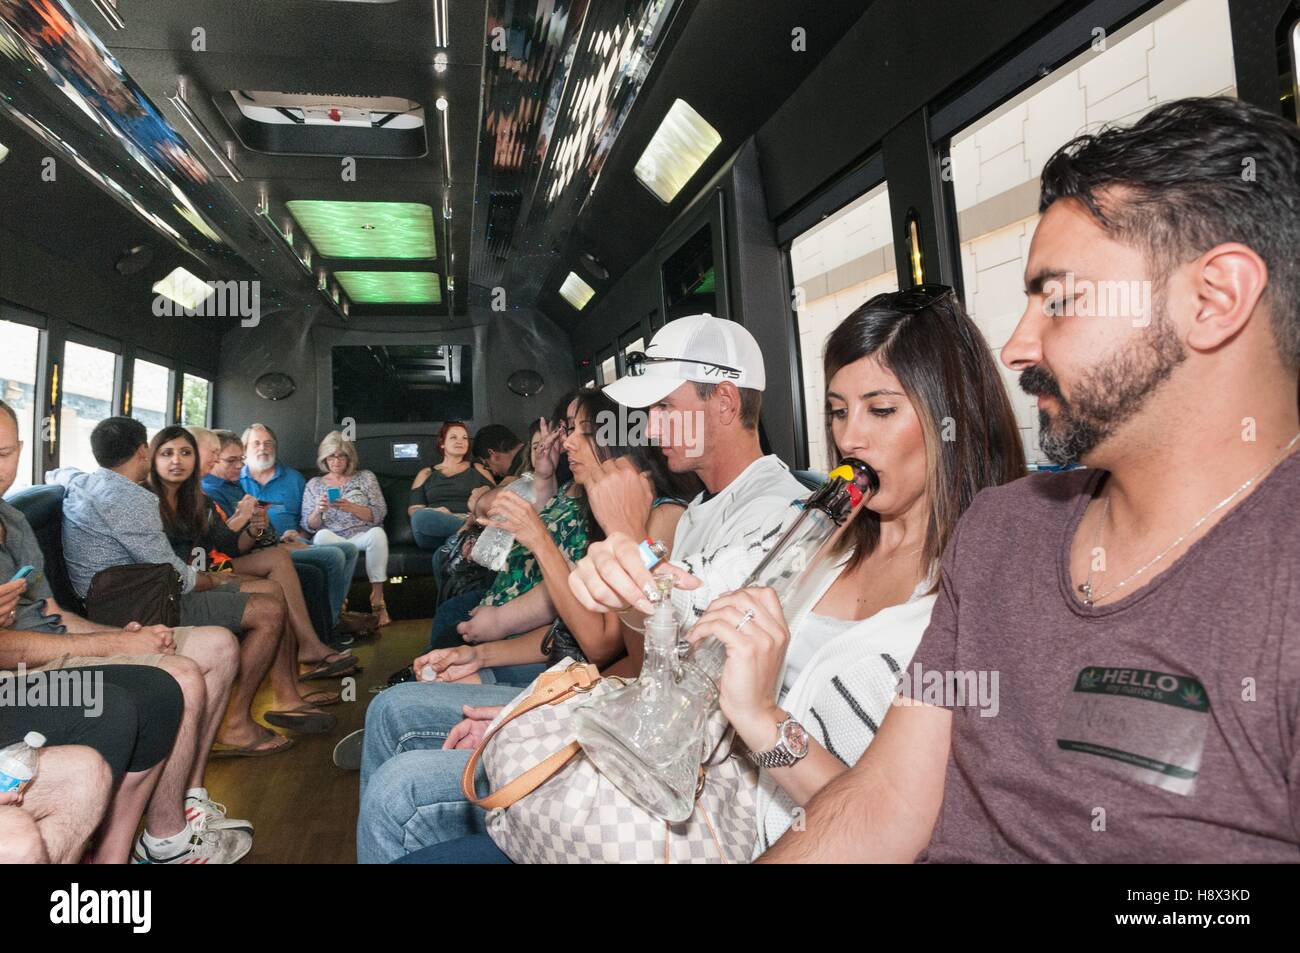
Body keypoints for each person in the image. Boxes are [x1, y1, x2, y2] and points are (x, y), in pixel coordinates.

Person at [761, 96, 1300, 863]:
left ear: (1213, 300)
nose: (1016, 346)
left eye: (1059, 300)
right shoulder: (1001, 530)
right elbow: (880, 807)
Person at [400, 289, 1027, 863]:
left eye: (880, 410)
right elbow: (666, 629)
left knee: (404, 797)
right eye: (836, 412)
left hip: (738, 830)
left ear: (950, 423)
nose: (849, 438)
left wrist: (758, 717)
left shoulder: (967, 601)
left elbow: (888, 821)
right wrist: (574, 680)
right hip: (691, 782)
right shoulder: (816, 540)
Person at [355, 315, 809, 861]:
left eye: (665, 408)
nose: (654, 428)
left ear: (727, 402)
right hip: (624, 723)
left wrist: (624, 533)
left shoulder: (775, 521)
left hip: (673, 786)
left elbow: (670, 689)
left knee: (397, 793)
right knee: (397, 737)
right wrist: (526, 699)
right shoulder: (701, 512)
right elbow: (642, 667)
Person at [1, 403, 250, 863]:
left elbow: (50, 611)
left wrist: (120, 634)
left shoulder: (13, 520)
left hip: (57, 645)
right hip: (20, 673)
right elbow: (9, 648)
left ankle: (181, 811)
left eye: (4, 452)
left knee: (214, 646)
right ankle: (163, 837)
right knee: (169, 682)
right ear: (144, 453)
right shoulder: (127, 498)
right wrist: (116, 642)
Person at [52, 417, 292, 758]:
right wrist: (216, 579)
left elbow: (57, 474)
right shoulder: (133, 500)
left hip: (118, 594)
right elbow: (177, 575)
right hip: (137, 605)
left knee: (269, 593)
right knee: (269, 611)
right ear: (143, 451)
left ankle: (280, 695)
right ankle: (234, 722)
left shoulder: (83, 482)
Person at [148, 426, 345, 733]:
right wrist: (213, 575)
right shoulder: (148, 500)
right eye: (169, 453)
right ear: (151, 458)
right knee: (271, 598)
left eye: (185, 453)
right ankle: (241, 716)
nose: (179, 461)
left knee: (277, 576)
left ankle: (289, 692)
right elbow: (172, 565)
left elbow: (225, 543)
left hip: (203, 573)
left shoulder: (193, 498)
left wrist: (254, 527)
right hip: (179, 587)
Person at [191, 427, 346, 658]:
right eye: (229, 460)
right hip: (210, 566)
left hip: (242, 552)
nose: (239, 466)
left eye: (240, 460)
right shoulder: (208, 491)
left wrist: (255, 527)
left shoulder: (229, 487)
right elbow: (220, 547)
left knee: (310, 567)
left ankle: (321, 638)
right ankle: (313, 644)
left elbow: (233, 543)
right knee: (304, 565)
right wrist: (244, 520)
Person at [239, 424, 374, 635]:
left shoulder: (294, 479)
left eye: (268, 443)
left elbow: (306, 524)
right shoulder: (236, 480)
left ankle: (333, 618)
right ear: (245, 449)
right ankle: (330, 626)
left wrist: (299, 535)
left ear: (275, 447)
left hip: (295, 541)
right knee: (334, 556)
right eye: (256, 443)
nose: (262, 448)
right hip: (259, 546)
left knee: (347, 550)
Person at [302, 432, 392, 627]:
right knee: (319, 537)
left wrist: (351, 507)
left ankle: (378, 601)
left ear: (349, 457)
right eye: (331, 456)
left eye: (341, 455)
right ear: (324, 458)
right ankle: (339, 601)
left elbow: (379, 512)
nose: (336, 461)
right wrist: (318, 511)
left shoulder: (365, 478)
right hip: (333, 537)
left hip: (362, 533)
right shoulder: (314, 485)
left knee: (378, 534)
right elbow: (308, 525)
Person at [408, 421, 495, 552]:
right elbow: (414, 510)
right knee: (419, 517)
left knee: (447, 548)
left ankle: (459, 539)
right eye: (453, 437)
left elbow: (496, 499)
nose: (460, 441)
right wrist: (436, 513)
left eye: (464, 438)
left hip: (467, 517)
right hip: (434, 529)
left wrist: (472, 515)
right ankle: (468, 531)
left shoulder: (478, 469)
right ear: (442, 443)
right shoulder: (426, 473)